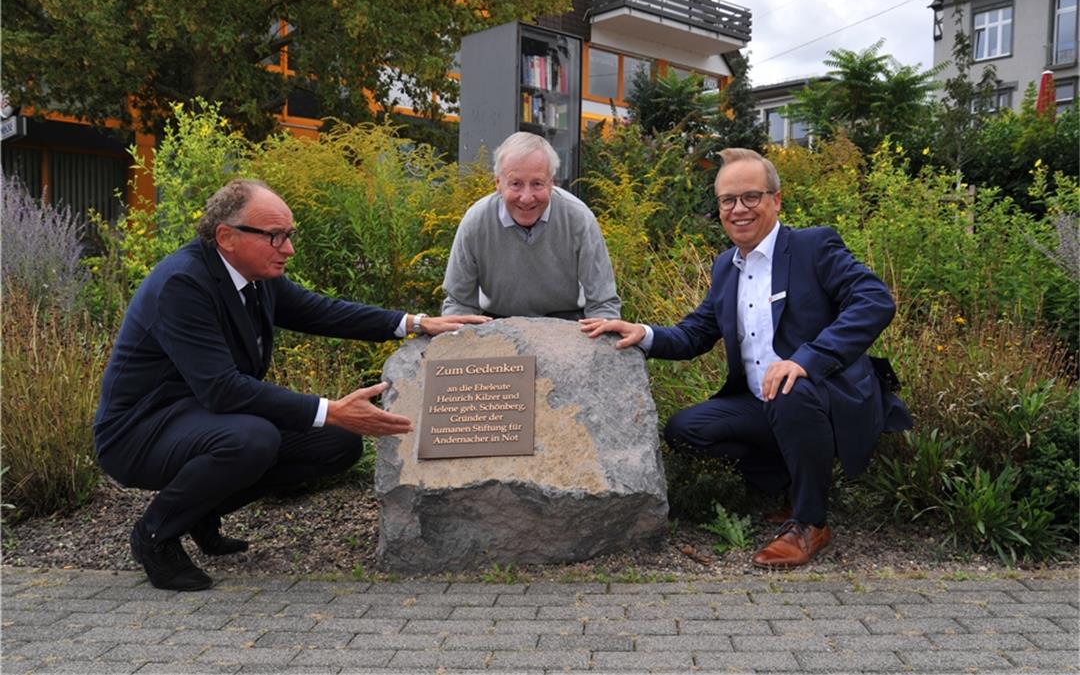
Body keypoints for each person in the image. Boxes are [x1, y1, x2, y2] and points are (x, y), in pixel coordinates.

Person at [94, 179, 488, 591]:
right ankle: (155, 535)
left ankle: (197, 511)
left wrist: (416, 324)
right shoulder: (183, 284)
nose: (288, 249)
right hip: (141, 432)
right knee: (253, 439)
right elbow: (222, 389)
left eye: (289, 235)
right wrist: (331, 409)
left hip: (203, 420)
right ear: (226, 236)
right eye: (275, 237)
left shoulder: (255, 276)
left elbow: (324, 312)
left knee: (337, 444)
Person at [580, 148, 911, 568]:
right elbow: (696, 332)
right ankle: (792, 485)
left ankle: (811, 522)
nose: (738, 209)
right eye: (727, 200)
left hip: (824, 397)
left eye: (751, 197)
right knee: (687, 429)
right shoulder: (726, 267)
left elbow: (874, 300)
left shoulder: (813, 247)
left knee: (791, 388)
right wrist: (641, 333)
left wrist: (807, 359)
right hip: (764, 403)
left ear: (776, 199)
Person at [441, 132, 620, 320]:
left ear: (551, 183)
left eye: (537, 184)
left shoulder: (578, 218)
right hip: (496, 322)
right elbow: (458, 304)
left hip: (567, 323)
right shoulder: (476, 222)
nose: (526, 198)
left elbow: (603, 304)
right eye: (516, 184)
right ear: (498, 183)